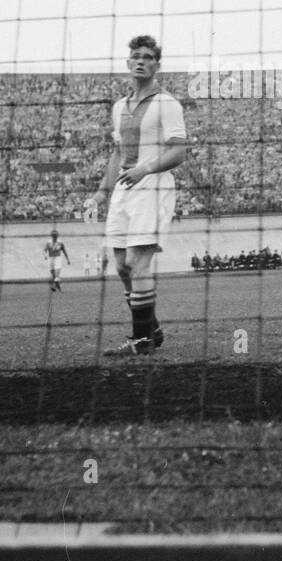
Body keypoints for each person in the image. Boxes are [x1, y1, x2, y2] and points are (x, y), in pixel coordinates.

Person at [89, 35, 189, 356]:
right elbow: (118, 154)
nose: (141, 61)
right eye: (136, 56)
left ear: (157, 65)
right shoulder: (120, 106)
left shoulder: (167, 103)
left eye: (148, 56)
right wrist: (100, 194)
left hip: (152, 186)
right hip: (123, 189)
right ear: (128, 62)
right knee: (120, 265)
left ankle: (141, 341)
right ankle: (152, 329)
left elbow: (179, 152)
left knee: (137, 262)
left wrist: (145, 169)